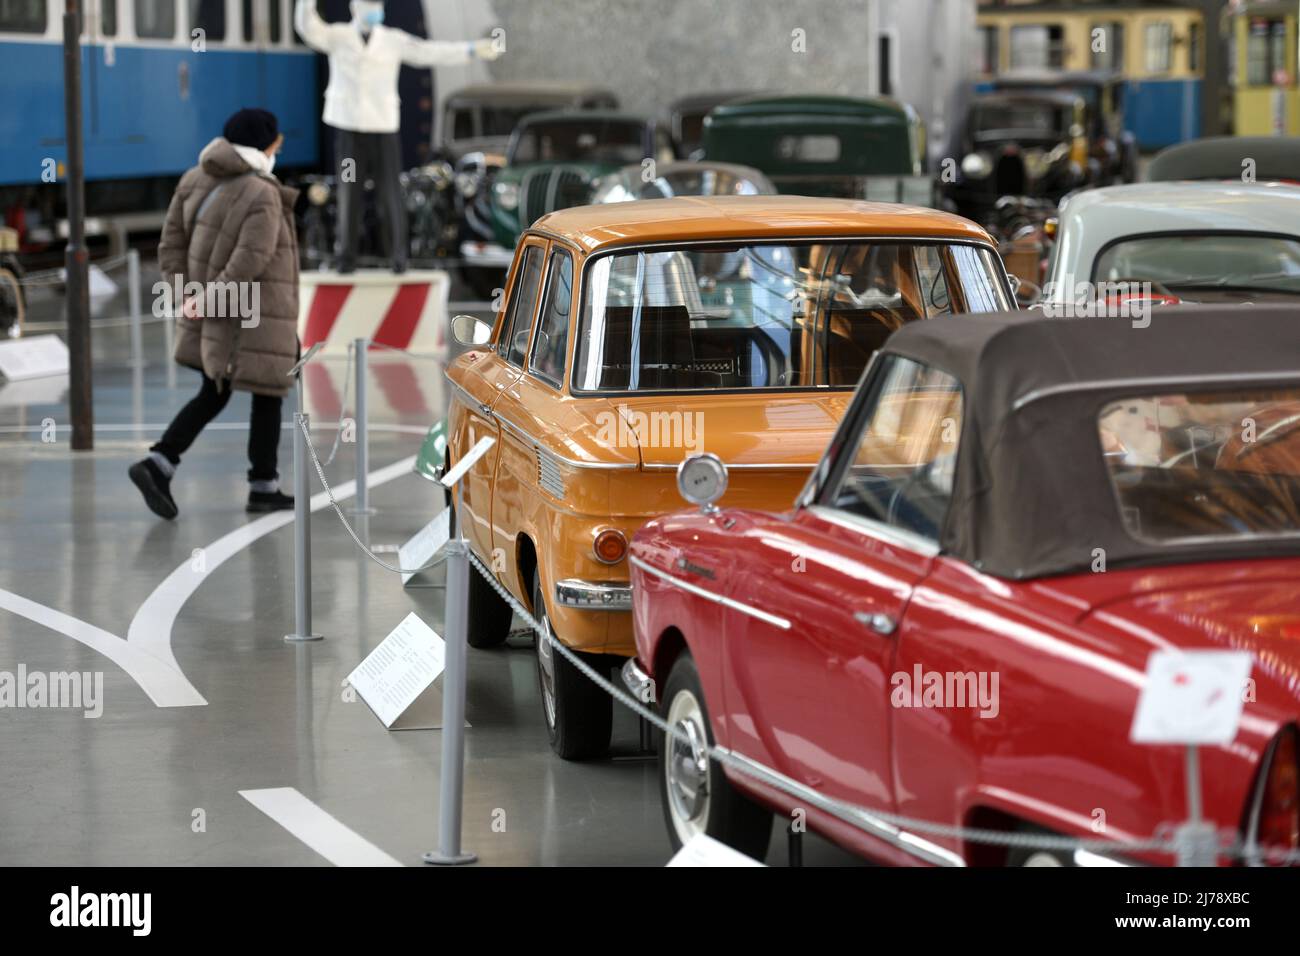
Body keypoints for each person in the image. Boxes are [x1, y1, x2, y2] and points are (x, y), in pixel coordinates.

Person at [129, 108, 301, 519]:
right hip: (256, 311)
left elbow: (169, 247)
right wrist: (206, 299)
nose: (279, 147)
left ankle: (162, 463)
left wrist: (189, 295)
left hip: (213, 310)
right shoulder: (262, 192)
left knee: (215, 390)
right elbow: (251, 259)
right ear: (266, 145)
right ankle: (261, 486)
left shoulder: (193, 179)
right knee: (268, 391)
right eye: (277, 142)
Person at [294, 0, 502, 273]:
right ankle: (346, 258)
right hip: (349, 131)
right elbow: (308, 28)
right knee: (348, 191)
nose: (373, 9)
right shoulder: (338, 36)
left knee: (390, 193)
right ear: (354, 8)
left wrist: (472, 50)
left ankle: (398, 258)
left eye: (376, 4)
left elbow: (429, 52)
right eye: (367, 4)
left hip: (383, 129)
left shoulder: (392, 40)